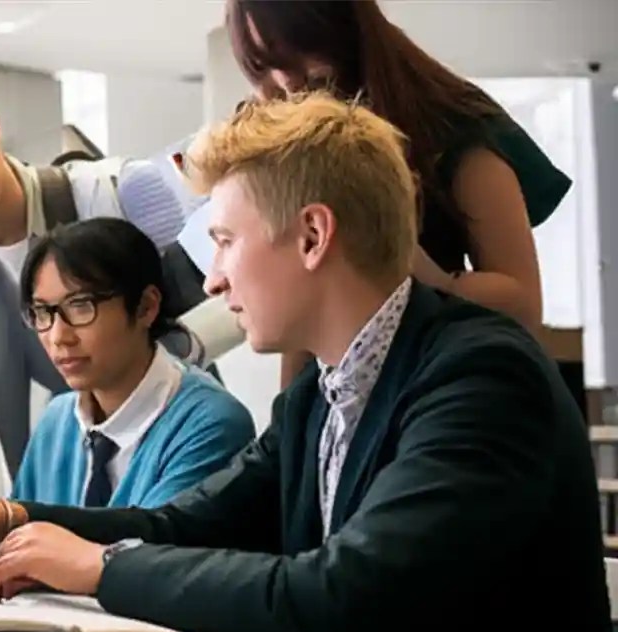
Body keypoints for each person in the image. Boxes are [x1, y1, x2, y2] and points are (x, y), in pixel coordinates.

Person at [0, 94, 617, 632]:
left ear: (313, 236)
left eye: (226, 241)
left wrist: (100, 568)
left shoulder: (480, 377)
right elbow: (183, 524)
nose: (212, 279)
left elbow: (347, 596)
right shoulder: (317, 396)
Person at [0, 66, 241, 482]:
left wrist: (170, 351)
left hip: (177, 436)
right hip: (78, 456)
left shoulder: (120, 193)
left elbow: (238, 283)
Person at [224, 0, 576, 397]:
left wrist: (428, 277)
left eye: (296, 53)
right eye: (261, 67)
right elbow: (307, 323)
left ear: (339, 29)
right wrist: (292, 417)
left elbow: (524, 306)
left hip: (442, 383)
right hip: (340, 395)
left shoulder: (454, 126)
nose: (286, 83)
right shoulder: (291, 142)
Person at [13, 217, 254, 508]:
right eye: (43, 313)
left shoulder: (212, 425)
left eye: (80, 307)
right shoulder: (56, 421)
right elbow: (16, 531)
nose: (58, 337)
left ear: (146, 307)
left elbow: (150, 537)